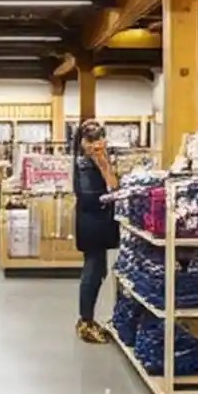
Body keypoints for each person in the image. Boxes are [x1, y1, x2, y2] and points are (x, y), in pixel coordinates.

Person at [73, 120, 120, 344]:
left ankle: (87, 319)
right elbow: (100, 194)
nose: (97, 145)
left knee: (97, 269)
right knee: (93, 270)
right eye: (92, 140)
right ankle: (86, 321)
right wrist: (104, 167)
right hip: (93, 223)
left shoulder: (88, 161)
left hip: (95, 222)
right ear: (83, 143)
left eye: (100, 139)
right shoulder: (86, 164)